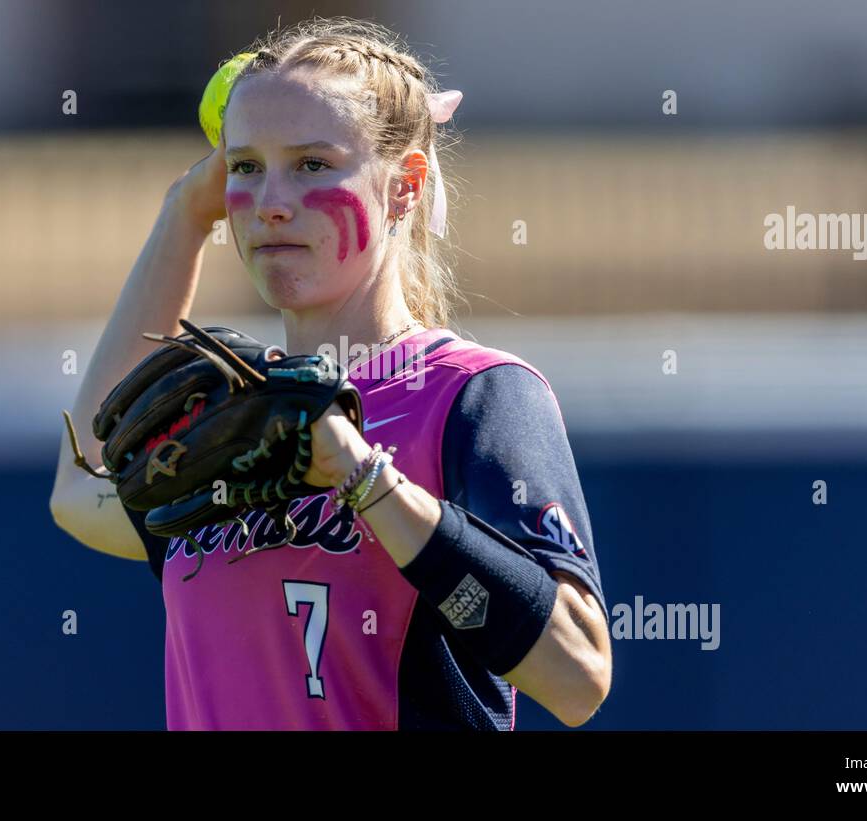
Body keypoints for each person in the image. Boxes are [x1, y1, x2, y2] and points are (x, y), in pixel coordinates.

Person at [50, 17, 610, 730]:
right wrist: (183, 215)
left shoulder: (473, 394)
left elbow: (579, 674)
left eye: (313, 164)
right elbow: (81, 486)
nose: (272, 202)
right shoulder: (235, 419)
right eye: (246, 167)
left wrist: (365, 478)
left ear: (405, 185)